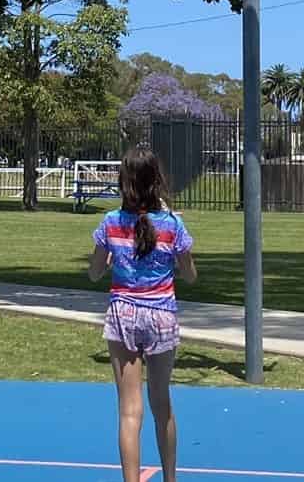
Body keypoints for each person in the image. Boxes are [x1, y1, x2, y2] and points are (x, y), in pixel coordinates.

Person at [88, 147, 197, 482]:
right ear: (157, 181)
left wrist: (109, 261)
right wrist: (176, 266)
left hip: (123, 314)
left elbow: (94, 273)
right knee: (161, 403)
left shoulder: (111, 223)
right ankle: (169, 478)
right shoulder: (173, 225)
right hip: (161, 315)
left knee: (129, 411)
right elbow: (190, 274)